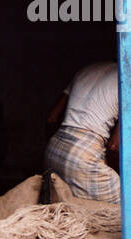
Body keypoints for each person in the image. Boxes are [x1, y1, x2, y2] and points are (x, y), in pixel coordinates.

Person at [44, 61, 121, 202]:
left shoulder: (87, 68)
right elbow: (114, 146)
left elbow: (52, 118)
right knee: (130, 207)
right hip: (84, 156)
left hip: (54, 149)